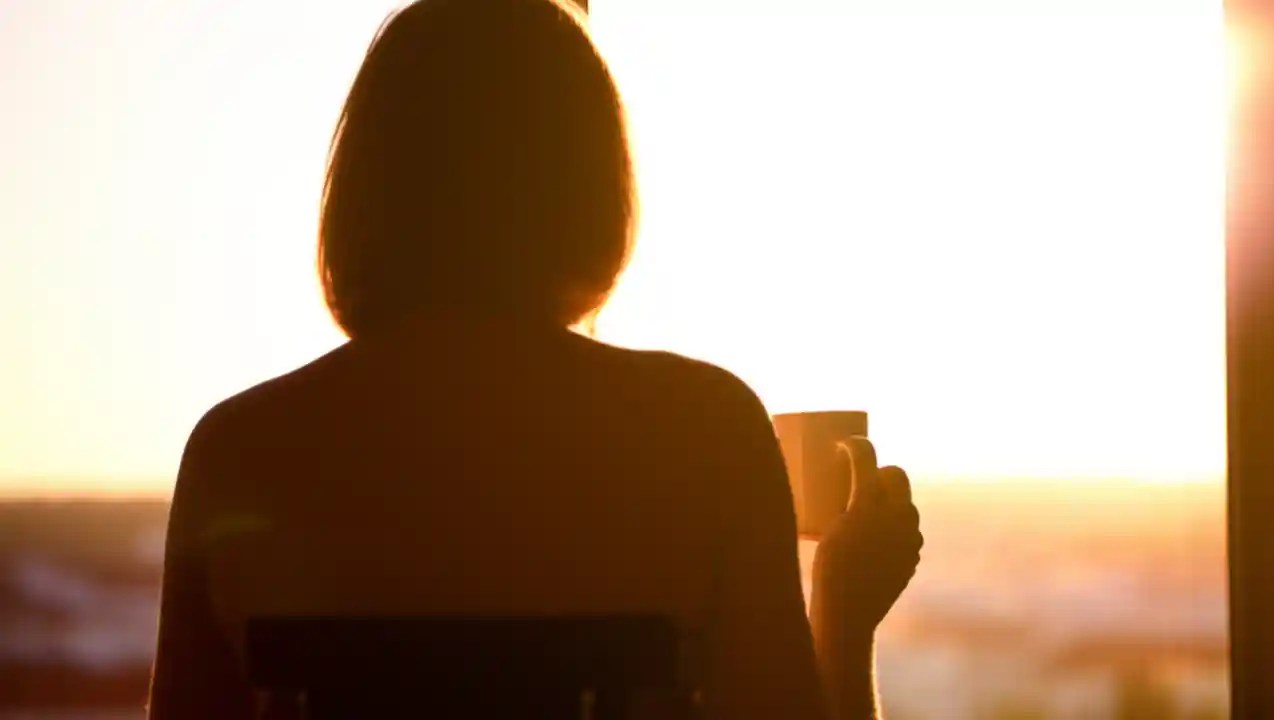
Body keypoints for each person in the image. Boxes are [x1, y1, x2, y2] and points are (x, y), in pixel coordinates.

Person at [146, 0, 922, 718]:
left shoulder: (238, 451)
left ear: (367, 186)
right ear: (589, 181)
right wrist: (843, 615)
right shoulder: (706, 432)